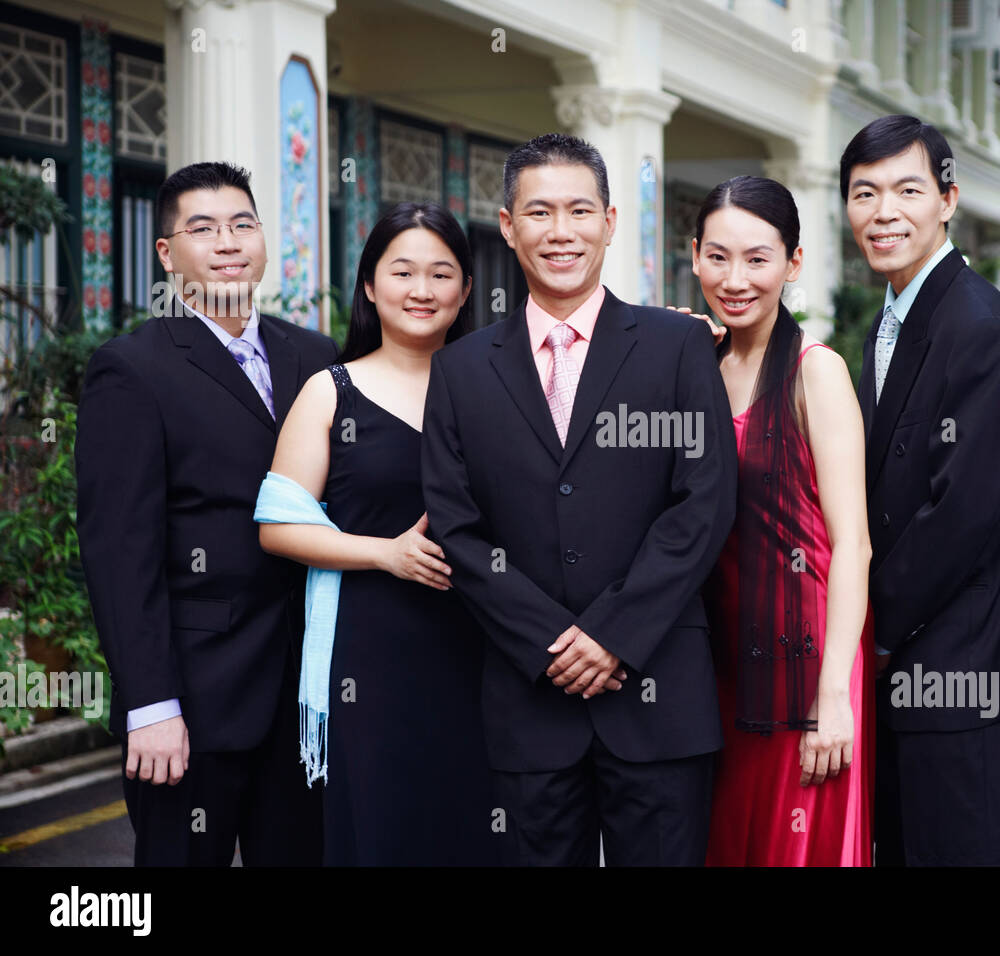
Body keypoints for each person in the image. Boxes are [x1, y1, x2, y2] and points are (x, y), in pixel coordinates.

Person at [420, 133, 737, 866]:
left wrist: (615, 636)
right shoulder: (461, 370)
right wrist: (551, 644)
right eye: (539, 212)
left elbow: (704, 502)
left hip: (659, 695)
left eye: (578, 211)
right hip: (528, 702)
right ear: (507, 225)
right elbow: (458, 528)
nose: (560, 232)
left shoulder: (677, 345)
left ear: (610, 220)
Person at [75, 161, 334, 866]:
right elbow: (118, 552)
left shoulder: (314, 357)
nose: (227, 243)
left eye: (243, 224)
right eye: (203, 228)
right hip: (195, 697)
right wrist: (151, 706)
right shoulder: (132, 368)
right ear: (167, 253)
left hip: (306, 693)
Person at [256, 202, 500, 866]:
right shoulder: (330, 392)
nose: (422, 290)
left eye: (441, 274)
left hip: (488, 650)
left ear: (466, 290)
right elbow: (278, 524)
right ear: (369, 285)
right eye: (403, 272)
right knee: (382, 832)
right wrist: (384, 554)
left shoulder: (498, 390)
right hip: (372, 659)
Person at [841, 115, 1000, 865]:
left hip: (958, 673)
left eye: (907, 190)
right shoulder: (889, 322)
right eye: (864, 193)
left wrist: (871, 628)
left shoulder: (978, 323)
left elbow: (963, 511)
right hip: (904, 669)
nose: (883, 211)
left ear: (948, 200)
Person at [685, 176, 872, 866]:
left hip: (807, 655)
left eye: (758, 259)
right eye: (719, 256)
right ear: (695, 255)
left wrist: (833, 695)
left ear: (793, 264)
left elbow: (852, 543)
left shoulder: (814, 371)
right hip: (721, 656)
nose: (736, 279)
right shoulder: (695, 362)